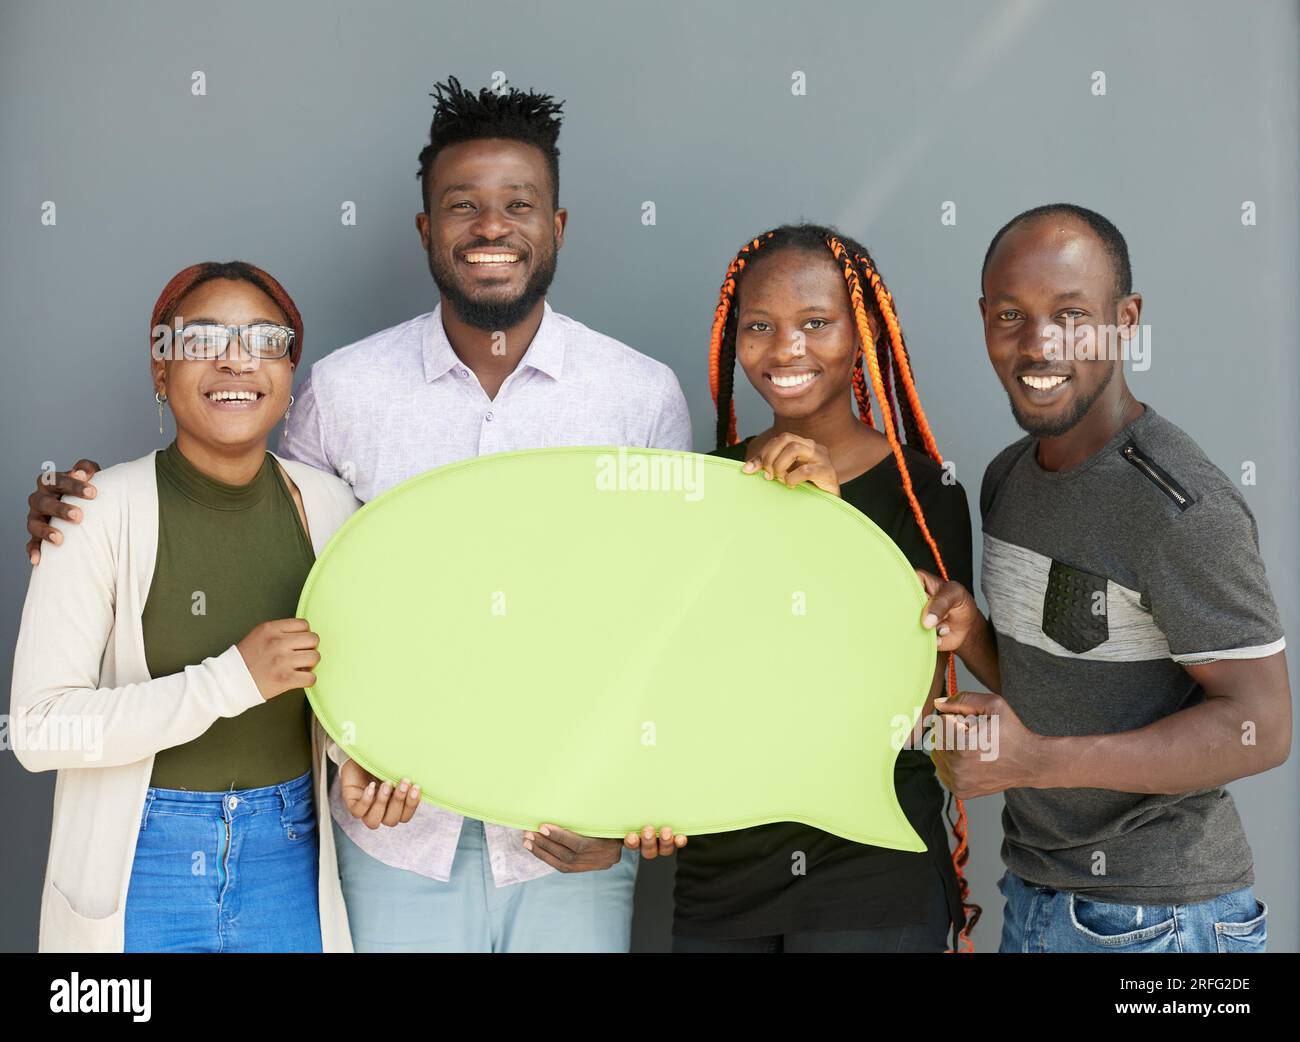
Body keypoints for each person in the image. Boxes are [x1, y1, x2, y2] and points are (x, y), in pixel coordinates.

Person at [26, 78, 690, 953]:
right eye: (463, 206)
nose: (491, 227)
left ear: (557, 226)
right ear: (426, 230)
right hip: (393, 838)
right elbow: (281, 550)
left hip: (571, 836)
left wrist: (644, 794)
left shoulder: (640, 397)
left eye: (519, 204)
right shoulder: (344, 390)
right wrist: (82, 512)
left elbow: (674, 619)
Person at [920, 203, 1291, 953]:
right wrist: (975, 637)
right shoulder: (1007, 479)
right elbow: (1060, 683)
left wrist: (1039, 763)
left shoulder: (1180, 507)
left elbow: (1264, 728)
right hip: (1032, 893)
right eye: (1011, 315)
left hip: (1162, 920)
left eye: (1071, 315)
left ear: (1127, 319)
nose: (1039, 345)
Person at [11, 262, 361, 952]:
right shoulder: (90, 513)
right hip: (142, 856)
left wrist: (365, 767)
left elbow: (353, 692)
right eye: (199, 341)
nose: (235, 358)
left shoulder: (333, 509)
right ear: (160, 374)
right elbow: (36, 732)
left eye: (265, 339)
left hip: (288, 854)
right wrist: (231, 680)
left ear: (290, 375)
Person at [671, 223, 978, 953]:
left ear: (862, 331)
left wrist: (831, 523)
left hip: (869, 860)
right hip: (722, 861)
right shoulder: (707, 486)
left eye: (816, 323)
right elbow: (684, 677)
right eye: (760, 326)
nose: (786, 349)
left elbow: (916, 706)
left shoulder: (923, 488)